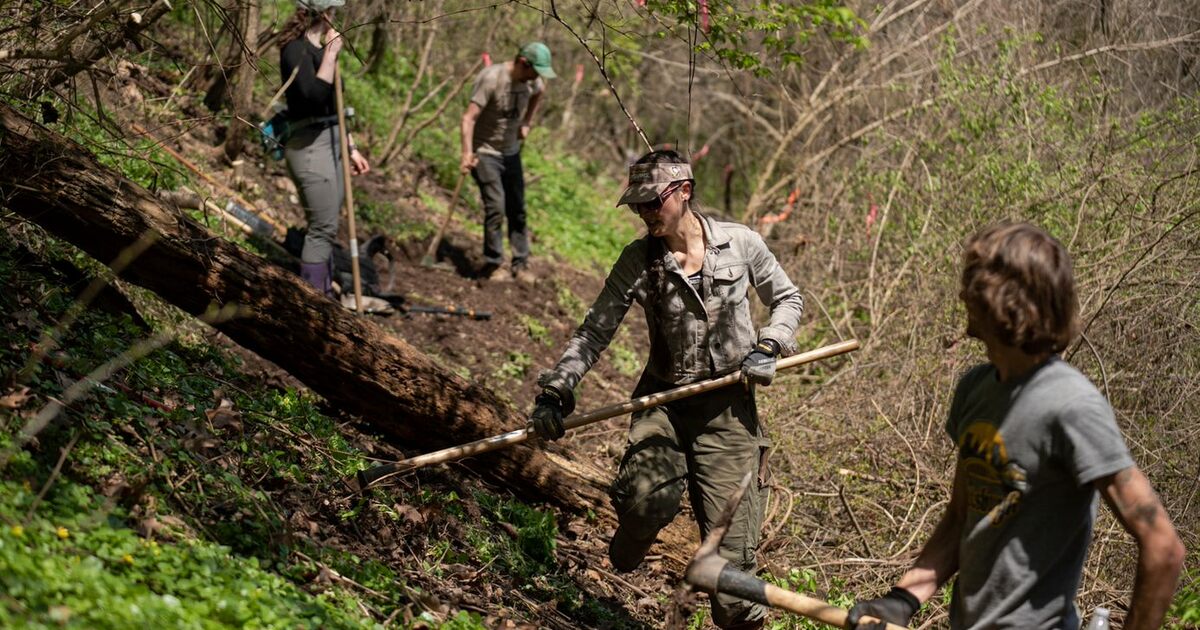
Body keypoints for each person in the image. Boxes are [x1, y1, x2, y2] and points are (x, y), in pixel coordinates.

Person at [846, 223, 1184, 630]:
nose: (961, 295)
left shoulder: (1072, 406)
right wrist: (903, 599)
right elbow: (960, 516)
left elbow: (1163, 548)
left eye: (971, 284)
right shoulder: (977, 389)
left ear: (998, 300)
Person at [529, 150, 804, 629]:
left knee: (733, 576)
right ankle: (628, 543)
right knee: (645, 501)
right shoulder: (638, 261)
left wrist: (770, 345)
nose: (646, 213)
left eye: (654, 202)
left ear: (684, 191)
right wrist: (556, 389)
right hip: (664, 402)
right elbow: (595, 331)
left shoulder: (741, 244)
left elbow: (787, 298)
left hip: (728, 412)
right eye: (638, 205)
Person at [278, 0, 370, 297]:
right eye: (333, 10)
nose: (336, 17)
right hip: (310, 147)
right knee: (322, 228)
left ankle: (324, 290)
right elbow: (313, 99)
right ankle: (313, 300)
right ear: (323, 12)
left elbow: (334, 108)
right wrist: (331, 54)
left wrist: (351, 147)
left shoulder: (318, 48)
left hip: (332, 143)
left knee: (327, 225)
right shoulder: (295, 49)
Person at [460, 42, 554, 284]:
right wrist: (466, 153)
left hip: (510, 152)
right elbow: (468, 118)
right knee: (496, 207)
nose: (537, 77)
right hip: (485, 152)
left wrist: (527, 122)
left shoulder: (533, 82)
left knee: (518, 209)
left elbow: (540, 92)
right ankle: (493, 264)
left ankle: (521, 263)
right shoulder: (492, 78)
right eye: (536, 71)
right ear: (524, 63)